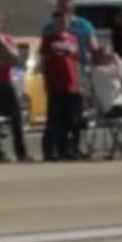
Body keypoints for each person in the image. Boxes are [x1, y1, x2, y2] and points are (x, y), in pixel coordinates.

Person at [0, 10, 30, 163]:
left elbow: (15, 58)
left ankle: (21, 152)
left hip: (6, 82)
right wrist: (1, 61)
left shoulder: (7, 39)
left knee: (16, 118)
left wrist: (0, 43)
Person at [41, 11, 84, 161]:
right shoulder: (48, 40)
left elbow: (76, 62)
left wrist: (80, 83)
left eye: (64, 21)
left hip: (72, 85)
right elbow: (43, 63)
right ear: (54, 22)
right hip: (56, 85)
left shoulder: (73, 39)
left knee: (72, 120)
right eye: (58, 21)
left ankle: (69, 149)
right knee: (55, 121)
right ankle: (52, 151)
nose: (61, 24)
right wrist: (46, 83)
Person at [42, 0, 97, 68]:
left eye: (67, 3)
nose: (64, 6)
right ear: (57, 6)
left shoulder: (84, 25)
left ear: (72, 6)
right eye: (61, 4)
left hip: (80, 68)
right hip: (57, 69)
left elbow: (94, 48)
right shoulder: (48, 28)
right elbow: (44, 52)